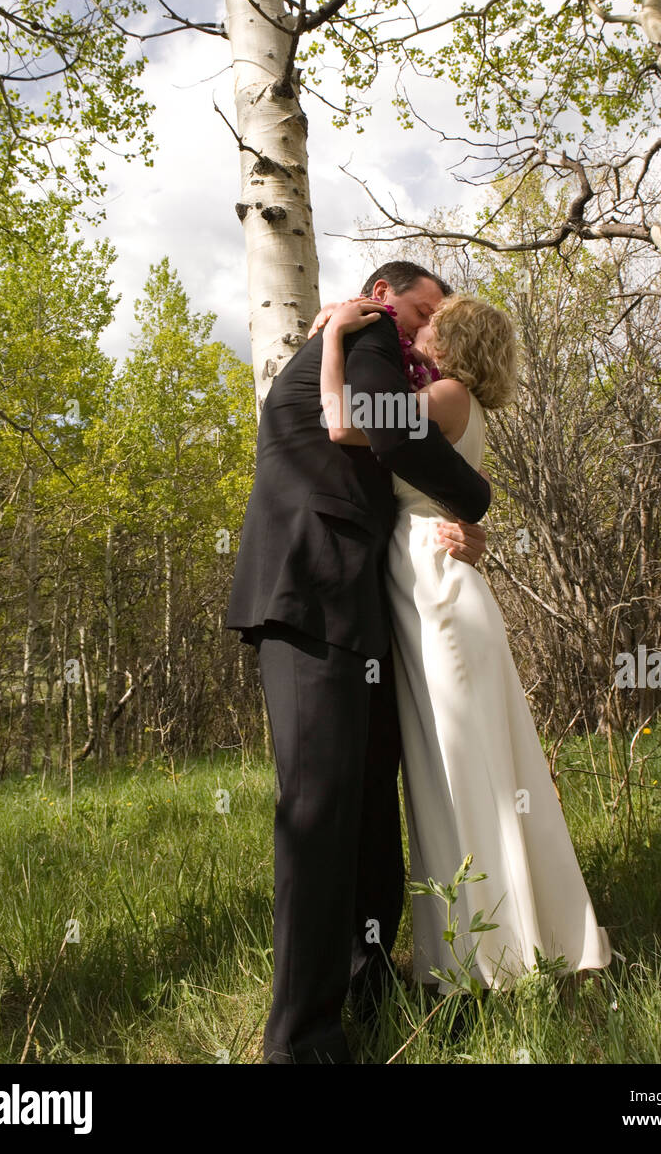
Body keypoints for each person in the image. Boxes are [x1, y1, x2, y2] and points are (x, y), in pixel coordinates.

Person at [224, 262, 491, 1064]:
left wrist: (448, 529)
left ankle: (369, 992)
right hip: (309, 587)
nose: (424, 327)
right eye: (420, 309)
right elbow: (389, 428)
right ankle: (301, 1041)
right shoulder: (367, 330)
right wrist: (474, 498)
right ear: (383, 298)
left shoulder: (371, 340)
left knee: (370, 811)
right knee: (318, 813)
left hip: (355, 601)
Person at [317, 292, 612, 991]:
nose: (418, 335)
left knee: (463, 772)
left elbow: (342, 424)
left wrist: (333, 340)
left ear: (455, 346)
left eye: (431, 328)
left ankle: (498, 961)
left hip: (439, 591)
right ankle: (504, 948)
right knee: (461, 771)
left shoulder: (447, 395)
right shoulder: (461, 403)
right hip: (433, 581)